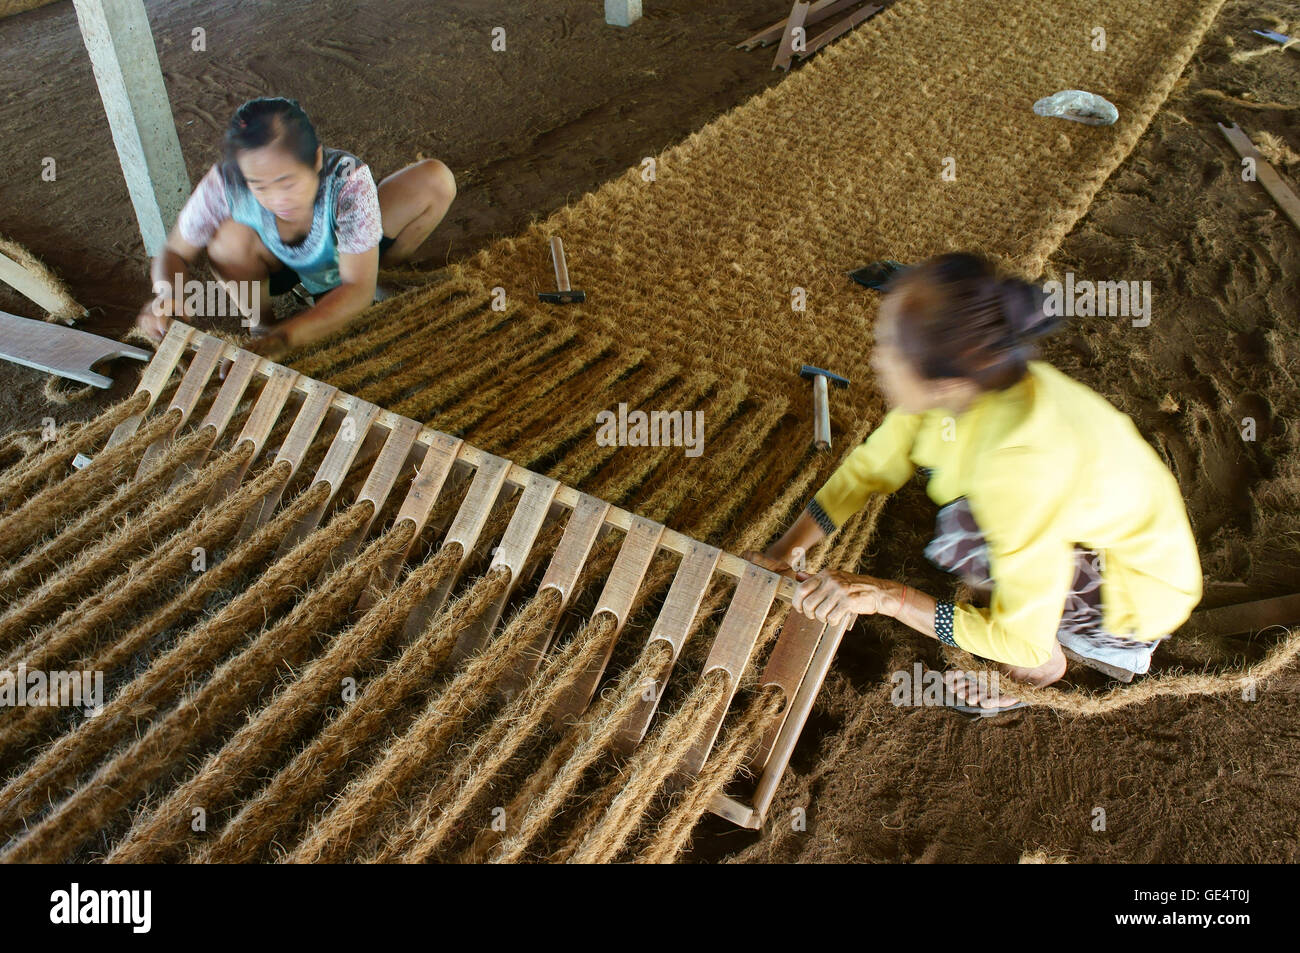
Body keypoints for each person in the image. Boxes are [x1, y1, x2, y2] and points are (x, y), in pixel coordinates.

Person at [749, 253, 1202, 711]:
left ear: (943, 383)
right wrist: (784, 553)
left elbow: (1019, 641)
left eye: (892, 351)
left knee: (966, 529)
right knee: (970, 516)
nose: (877, 359)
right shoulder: (972, 383)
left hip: (1134, 592)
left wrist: (889, 597)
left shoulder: (1017, 469)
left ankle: (1046, 667)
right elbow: (868, 469)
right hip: (1080, 527)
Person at [136, 96, 456, 353]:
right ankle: (262, 323)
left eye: (287, 182)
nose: (277, 199)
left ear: (317, 159)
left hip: (349, 261)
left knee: (434, 179)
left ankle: (379, 275)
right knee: (227, 238)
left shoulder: (348, 182)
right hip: (280, 268)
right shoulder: (226, 181)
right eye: (259, 186)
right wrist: (167, 293)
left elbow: (356, 289)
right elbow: (174, 251)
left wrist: (287, 340)